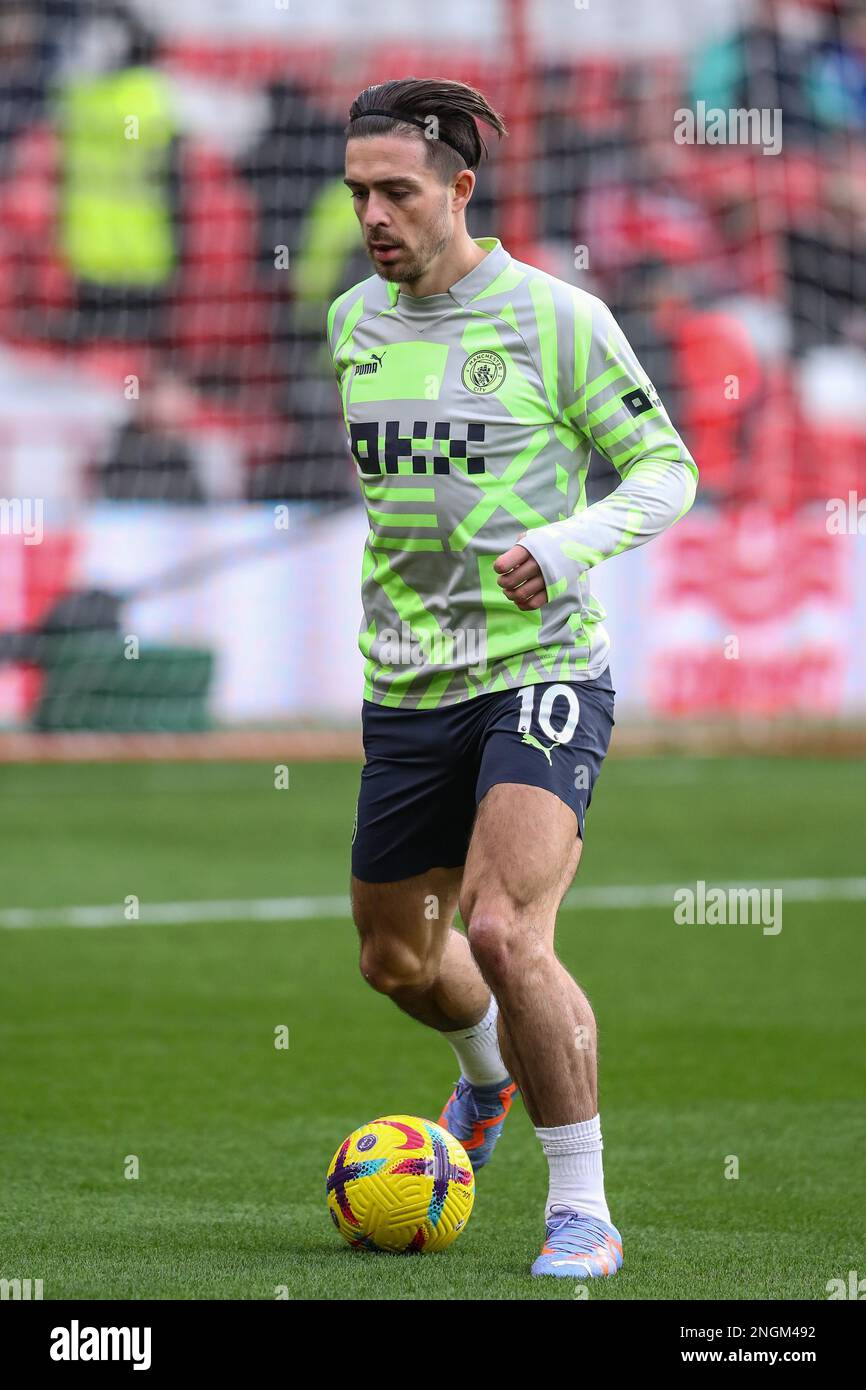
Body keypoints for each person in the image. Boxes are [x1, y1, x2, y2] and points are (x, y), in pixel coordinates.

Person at [326, 77, 698, 1280]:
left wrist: (563, 543)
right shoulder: (351, 326)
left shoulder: (557, 319)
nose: (373, 215)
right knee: (396, 957)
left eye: (395, 191)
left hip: (538, 667)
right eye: (356, 194)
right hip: (405, 684)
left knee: (500, 927)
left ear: (458, 190)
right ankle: (482, 1078)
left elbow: (663, 469)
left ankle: (580, 1208)